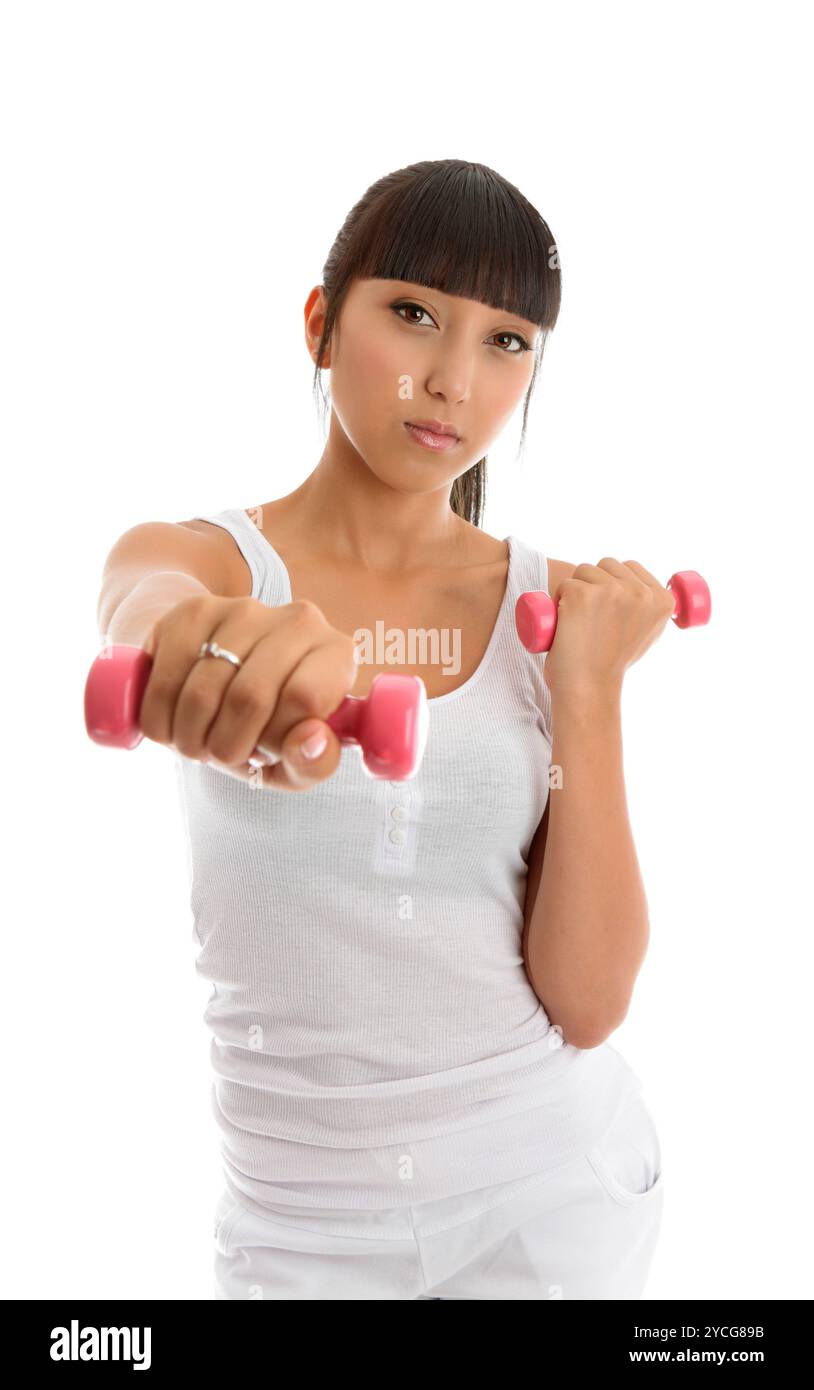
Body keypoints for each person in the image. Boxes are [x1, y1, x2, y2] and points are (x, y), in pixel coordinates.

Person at [97, 159, 670, 1300]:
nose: (453, 379)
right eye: (412, 313)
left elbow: (588, 1001)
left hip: (547, 1188)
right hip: (297, 1222)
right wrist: (198, 648)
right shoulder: (208, 559)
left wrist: (588, 689)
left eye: (506, 341)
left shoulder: (551, 611)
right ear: (322, 322)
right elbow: (143, 606)